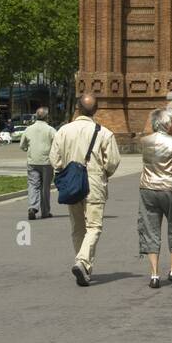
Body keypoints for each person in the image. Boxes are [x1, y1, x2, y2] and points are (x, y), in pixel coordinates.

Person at [51, 93, 122, 287]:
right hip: (94, 183)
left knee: (77, 227)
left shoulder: (63, 131)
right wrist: (102, 173)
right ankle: (82, 262)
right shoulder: (104, 133)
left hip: (71, 184)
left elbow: (55, 160)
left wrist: (65, 171)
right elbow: (113, 162)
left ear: (77, 108)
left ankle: (83, 265)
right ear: (96, 110)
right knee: (94, 227)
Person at [139, 108, 172, 288]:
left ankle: (154, 274)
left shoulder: (144, 141)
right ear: (167, 124)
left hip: (148, 188)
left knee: (150, 229)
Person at [20, 107, 57, 221]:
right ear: (47, 117)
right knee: (45, 187)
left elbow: (22, 145)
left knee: (33, 185)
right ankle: (45, 211)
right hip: (46, 161)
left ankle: (32, 207)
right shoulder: (51, 130)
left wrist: (29, 149)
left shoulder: (28, 129)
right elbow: (57, 144)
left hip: (32, 161)